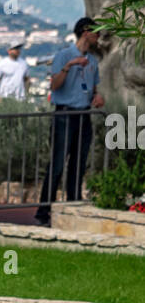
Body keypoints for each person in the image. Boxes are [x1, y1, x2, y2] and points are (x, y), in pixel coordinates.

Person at [34, 17, 105, 226]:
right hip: (64, 114)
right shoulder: (63, 55)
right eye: (96, 32)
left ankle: (74, 207)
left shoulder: (93, 61)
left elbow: (93, 88)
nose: (98, 37)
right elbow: (55, 86)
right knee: (57, 164)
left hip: (83, 115)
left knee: (78, 163)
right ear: (86, 32)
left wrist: (97, 97)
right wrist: (69, 66)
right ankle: (44, 211)